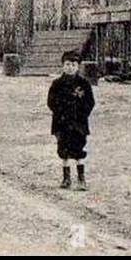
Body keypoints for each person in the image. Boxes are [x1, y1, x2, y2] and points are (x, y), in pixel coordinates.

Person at [47, 50, 95, 190]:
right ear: (63, 66)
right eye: (67, 64)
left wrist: (81, 114)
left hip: (78, 123)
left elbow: (90, 102)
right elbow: (51, 102)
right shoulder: (57, 84)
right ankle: (66, 178)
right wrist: (61, 113)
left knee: (79, 148)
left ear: (78, 66)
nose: (70, 67)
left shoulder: (84, 84)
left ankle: (81, 179)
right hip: (61, 122)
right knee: (64, 149)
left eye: (73, 64)